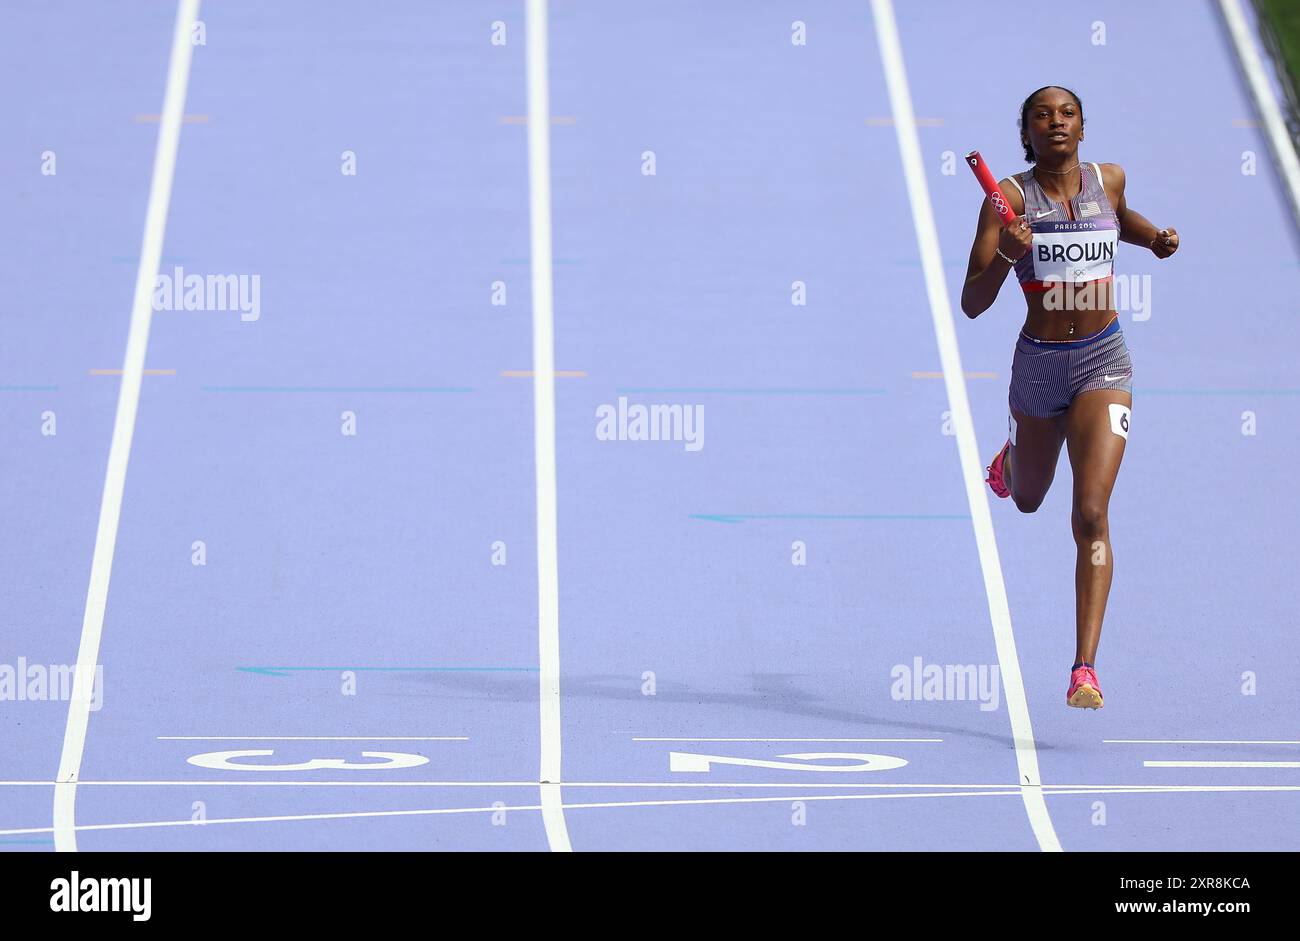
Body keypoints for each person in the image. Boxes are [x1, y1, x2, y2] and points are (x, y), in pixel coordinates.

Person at [960, 85, 1179, 709]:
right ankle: (1011, 461)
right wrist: (1008, 250)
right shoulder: (1006, 200)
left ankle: (1084, 667)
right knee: (1029, 499)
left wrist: (1153, 238)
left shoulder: (1107, 180)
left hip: (1102, 362)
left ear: (1082, 128)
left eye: (1067, 114)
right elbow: (972, 304)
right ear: (1026, 133)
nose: (1055, 123)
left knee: (1090, 513)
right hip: (1039, 365)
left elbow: (1120, 217)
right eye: (1041, 117)